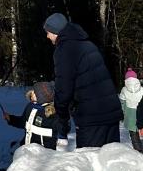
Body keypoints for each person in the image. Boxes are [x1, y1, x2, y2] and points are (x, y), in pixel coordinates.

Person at [43, 12, 121, 148]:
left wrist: (62, 119)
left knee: (91, 163)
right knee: (112, 164)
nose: (47, 36)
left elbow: (63, 89)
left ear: (56, 32)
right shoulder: (88, 44)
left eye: (48, 32)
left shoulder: (65, 50)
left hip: (91, 118)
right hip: (110, 113)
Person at [3, 81, 57, 149]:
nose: (32, 92)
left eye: (35, 92)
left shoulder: (51, 111)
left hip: (44, 152)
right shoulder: (30, 107)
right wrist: (10, 118)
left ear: (42, 96)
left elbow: (64, 127)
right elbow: (23, 122)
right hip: (26, 147)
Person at [120, 69, 143, 153]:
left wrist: (123, 112)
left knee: (133, 133)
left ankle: (138, 150)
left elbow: (122, 101)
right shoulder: (141, 89)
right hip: (141, 112)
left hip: (130, 114)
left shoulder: (124, 89)